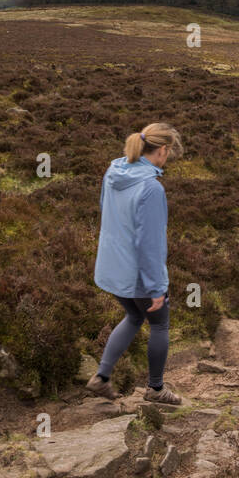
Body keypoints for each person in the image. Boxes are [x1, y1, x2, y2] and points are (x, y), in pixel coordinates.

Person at [87, 123, 185, 404]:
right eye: (168, 153)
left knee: (133, 316)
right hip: (136, 274)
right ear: (163, 150)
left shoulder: (113, 171)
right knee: (159, 324)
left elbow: (106, 212)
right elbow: (149, 244)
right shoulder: (150, 188)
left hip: (111, 268)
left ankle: (101, 378)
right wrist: (155, 286)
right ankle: (155, 389)